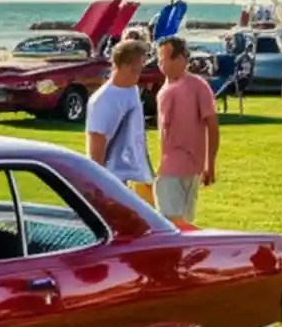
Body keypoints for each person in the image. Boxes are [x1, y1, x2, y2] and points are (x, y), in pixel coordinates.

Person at [153, 36, 219, 227]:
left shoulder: (197, 86)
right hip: (170, 165)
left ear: (180, 58)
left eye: (163, 59)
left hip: (188, 166)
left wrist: (210, 163)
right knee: (177, 221)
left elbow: (212, 125)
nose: (159, 64)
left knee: (173, 222)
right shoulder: (164, 89)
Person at [85, 39, 155, 202]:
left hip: (137, 176)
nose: (138, 73)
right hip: (115, 180)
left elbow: (137, 136)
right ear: (121, 65)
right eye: (135, 69)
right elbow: (97, 140)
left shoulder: (132, 90)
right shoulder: (103, 100)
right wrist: (99, 182)